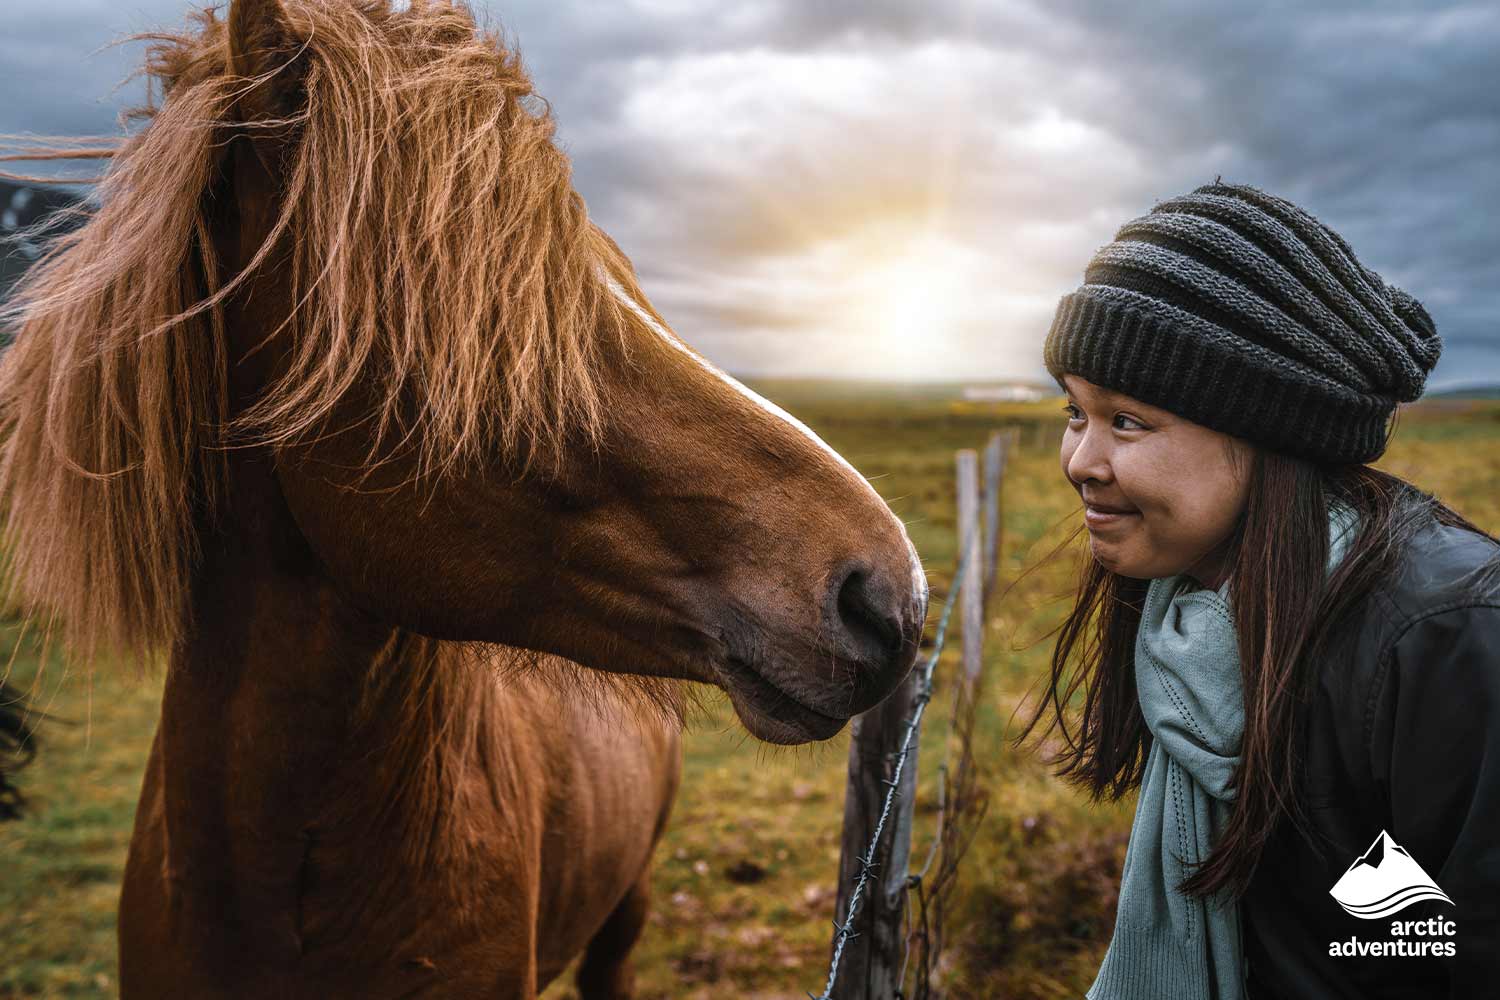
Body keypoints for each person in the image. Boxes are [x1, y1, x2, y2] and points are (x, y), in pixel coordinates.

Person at [1013, 181, 1500, 999]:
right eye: (1076, 413)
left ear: (1267, 431)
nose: (1081, 463)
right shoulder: (1192, 612)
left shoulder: (1450, 644)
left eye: (1126, 421)